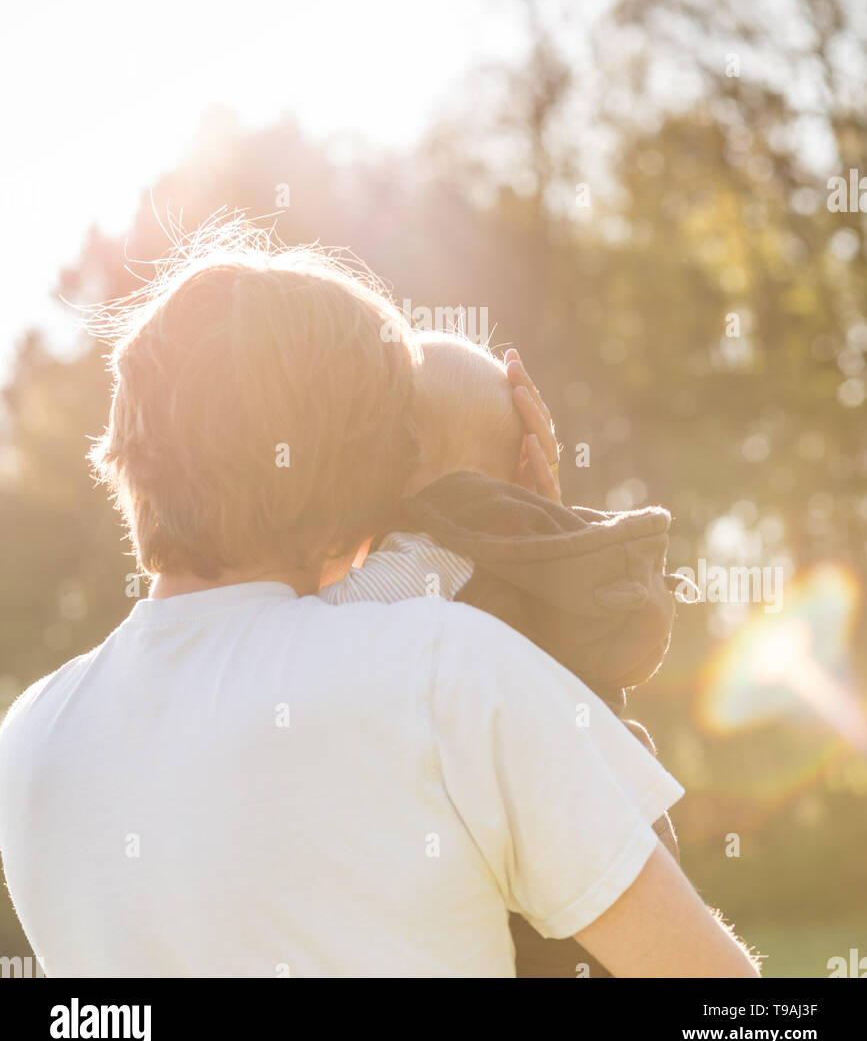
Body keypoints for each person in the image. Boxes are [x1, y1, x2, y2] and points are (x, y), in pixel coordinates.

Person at [0, 225, 759, 977]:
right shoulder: (445, 670)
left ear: (131, 446)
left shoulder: (29, 736)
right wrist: (522, 552)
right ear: (358, 474)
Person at [321, 329, 684, 976]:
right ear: (523, 464)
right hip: (607, 844)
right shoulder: (548, 558)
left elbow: (309, 631)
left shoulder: (421, 559)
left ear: (389, 462)